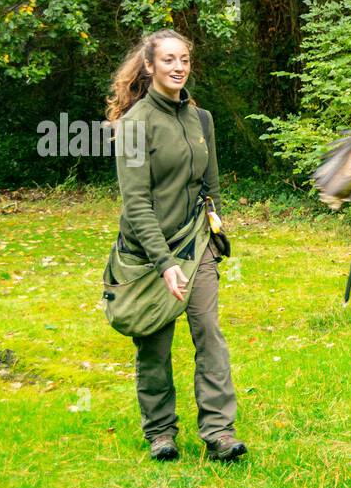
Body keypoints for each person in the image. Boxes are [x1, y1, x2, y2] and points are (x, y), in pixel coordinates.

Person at [105, 29, 246, 463]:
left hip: (196, 242)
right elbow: (136, 203)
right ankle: (161, 432)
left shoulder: (201, 120)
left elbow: (211, 183)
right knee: (154, 343)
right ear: (149, 67)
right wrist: (164, 262)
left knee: (209, 335)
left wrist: (215, 232)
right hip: (147, 253)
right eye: (168, 60)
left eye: (184, 58)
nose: (179, 67)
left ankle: (219, 431)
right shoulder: (133, 126)